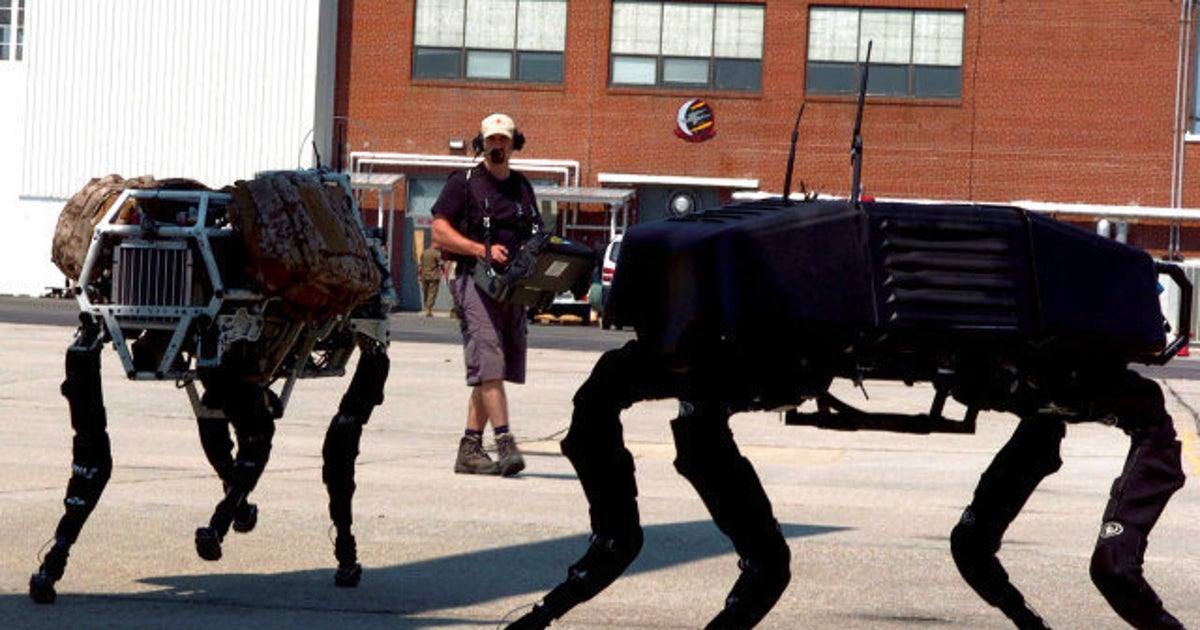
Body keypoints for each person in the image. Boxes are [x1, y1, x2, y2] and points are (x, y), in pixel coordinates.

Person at [431, 112, 539, 476]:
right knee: (489, 355)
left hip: (511, 286)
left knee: (494, 365)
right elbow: (439, 233)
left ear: (514, 144)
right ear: (481, 143)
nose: (497, 145)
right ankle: (505, 441)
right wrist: (480, 249)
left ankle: (469, 448)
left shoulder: (522, 187)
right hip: (471, 279)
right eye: (491, 140)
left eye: (503, 140)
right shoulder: (463, 183)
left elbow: (536, 235)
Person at [419, 243, 443, 317]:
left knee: (425, 292)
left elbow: (420, 264)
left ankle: (426, 306)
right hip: (434, 276)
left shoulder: (424, 252)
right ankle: (429, 309)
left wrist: (420, 274)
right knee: (432, 293)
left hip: (424, 275)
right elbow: (441, 263)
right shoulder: (437, 253)